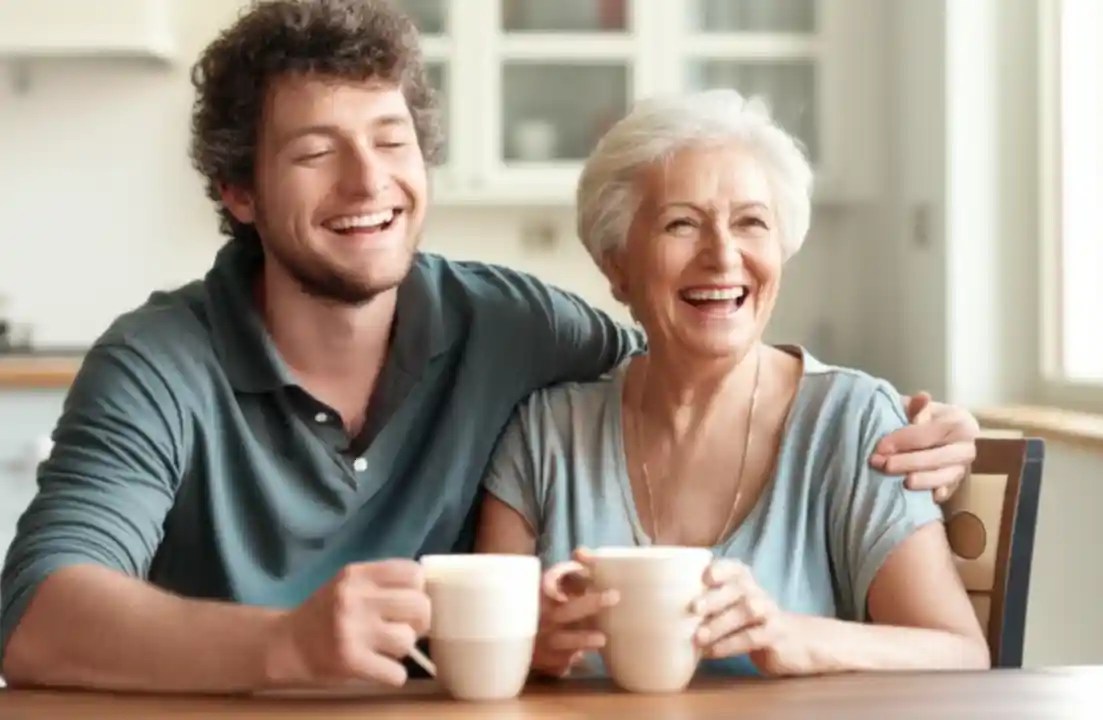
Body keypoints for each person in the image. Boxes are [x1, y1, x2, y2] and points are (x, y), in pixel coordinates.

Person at [0, 0, 978, 693]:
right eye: (313, 151)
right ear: (239, 193)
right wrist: (284, 645)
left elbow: (697, 340)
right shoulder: (159, 364)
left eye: (390, 141)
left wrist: (900, 420)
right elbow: (37, 617)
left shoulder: (516, 329)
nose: (365, 182)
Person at [475, 90, 990, 679]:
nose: (723, 256)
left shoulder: (852, 423)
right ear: (617, 266)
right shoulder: (545, 435)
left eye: (750, 223)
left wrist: (794, 636)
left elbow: (959, 652)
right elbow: (488, 648)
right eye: (681, 224)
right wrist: (526, 647)